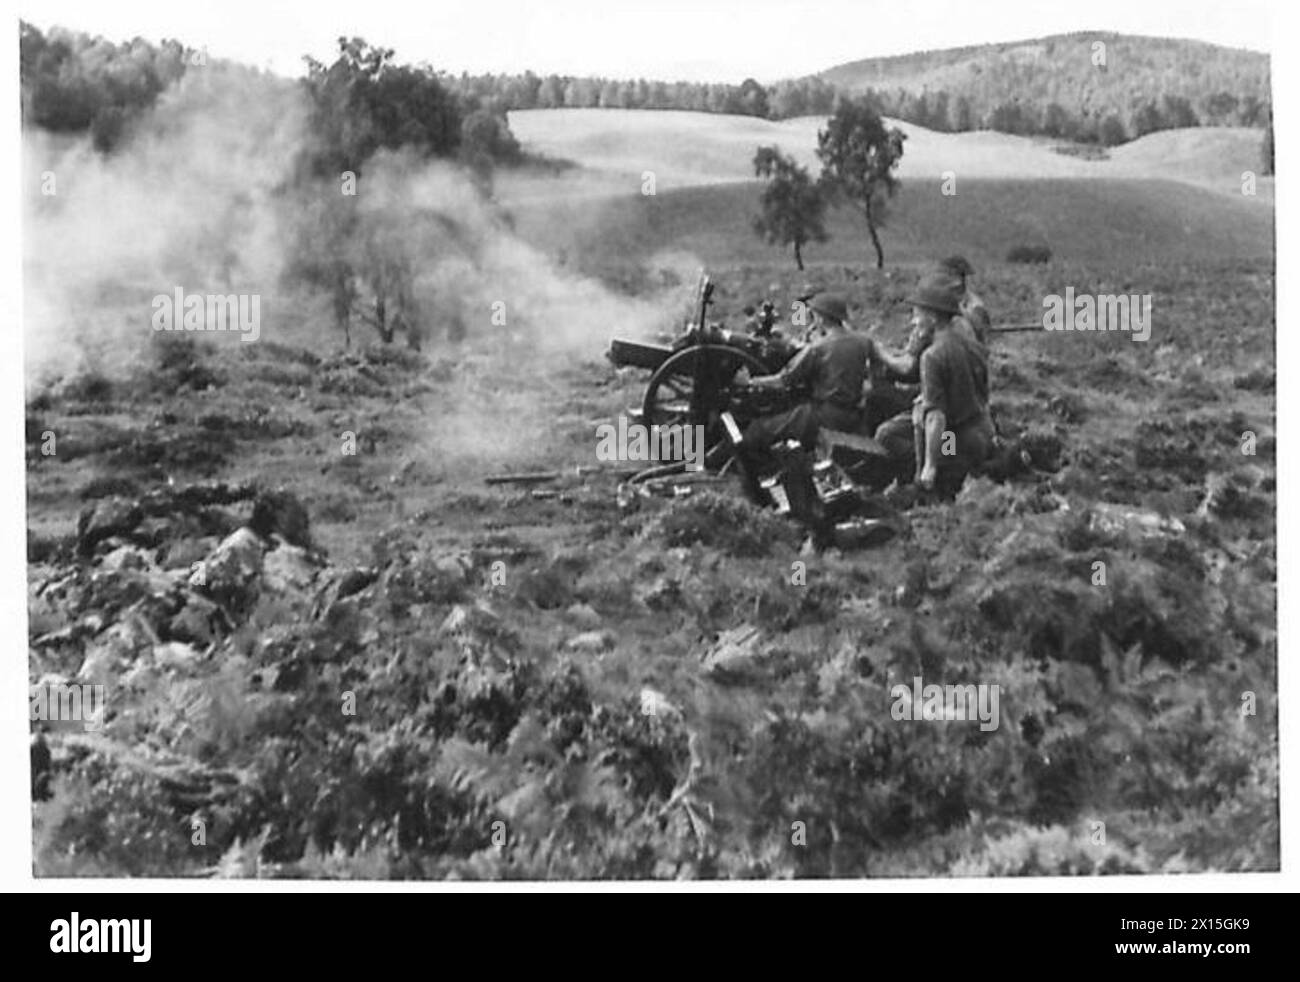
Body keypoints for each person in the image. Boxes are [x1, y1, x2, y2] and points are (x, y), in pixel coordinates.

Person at [867, 273, 995, 495]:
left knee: (887, 436)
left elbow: (937, 417)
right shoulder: (972, 345)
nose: (913, 321)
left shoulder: (933, 356)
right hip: (982, 428)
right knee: (902, 425)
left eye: (917, 315)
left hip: (955, 437)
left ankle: (937, 481)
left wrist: (930, 466)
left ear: (933, 318)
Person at [739, 292, 871, 452]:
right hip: (852, 414)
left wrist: (749, 382)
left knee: (759, 431)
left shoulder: (819, 348)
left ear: (820, 318)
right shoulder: (862, 342)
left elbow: (783, 380)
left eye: (813, 315)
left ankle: (706, 463)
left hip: (825, 415)